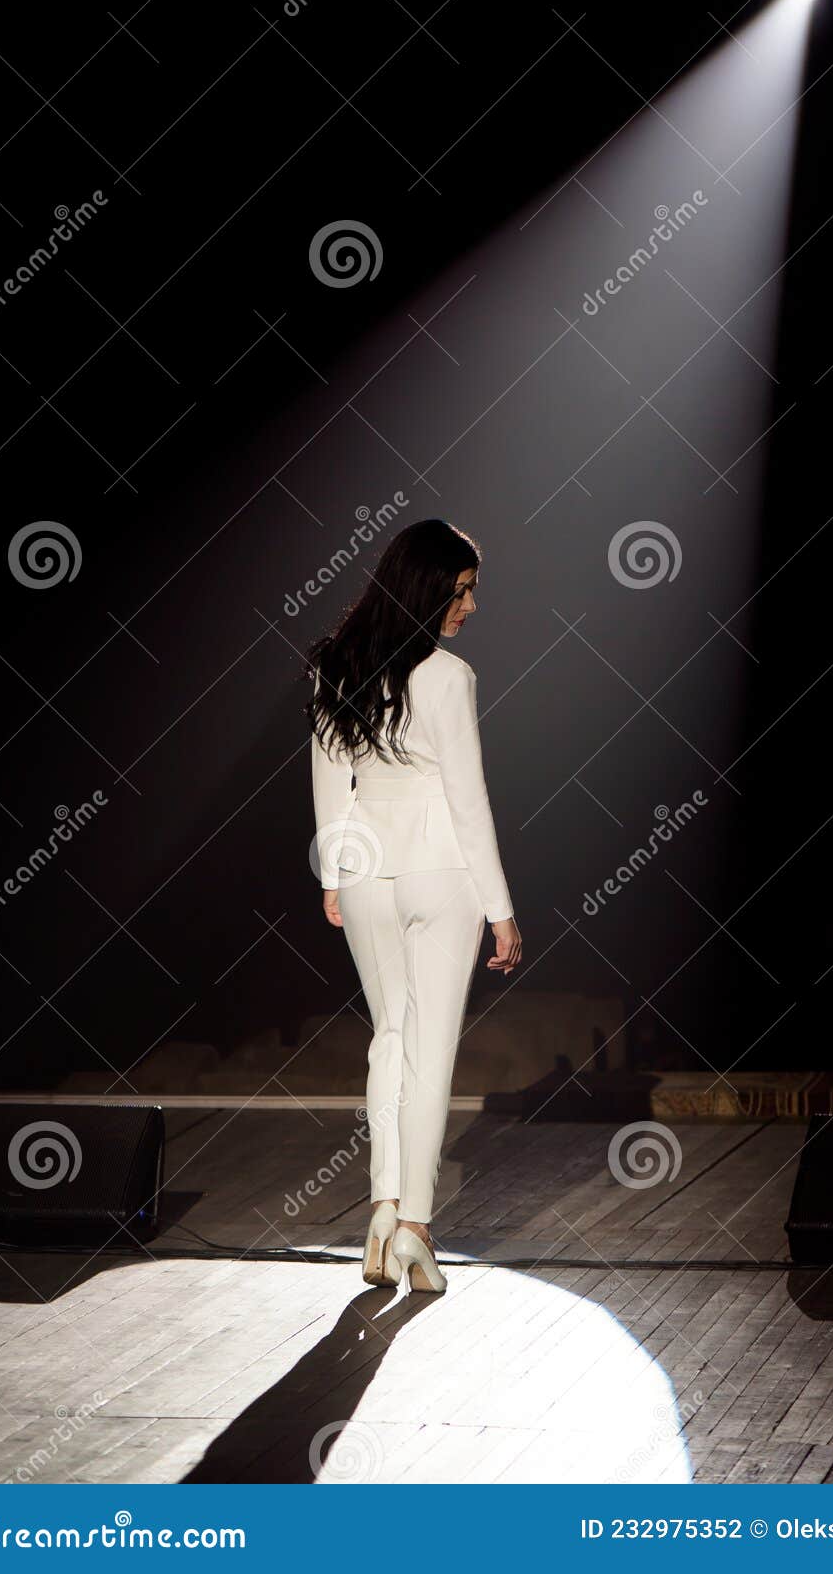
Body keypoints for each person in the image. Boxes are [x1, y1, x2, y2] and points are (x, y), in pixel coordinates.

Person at [307, 519, 522, 1294]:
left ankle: (381, 1208)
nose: (470, 606)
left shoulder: (337, 665)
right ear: (430, 585)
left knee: (389, 1039)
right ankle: (415, 1228)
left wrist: (334, 873)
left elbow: (331, 783)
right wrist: (500, 906)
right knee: (428, 1047)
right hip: (440, 873)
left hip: (365, 871)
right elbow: (469, 800)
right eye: (462, 590)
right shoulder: (446, 676)